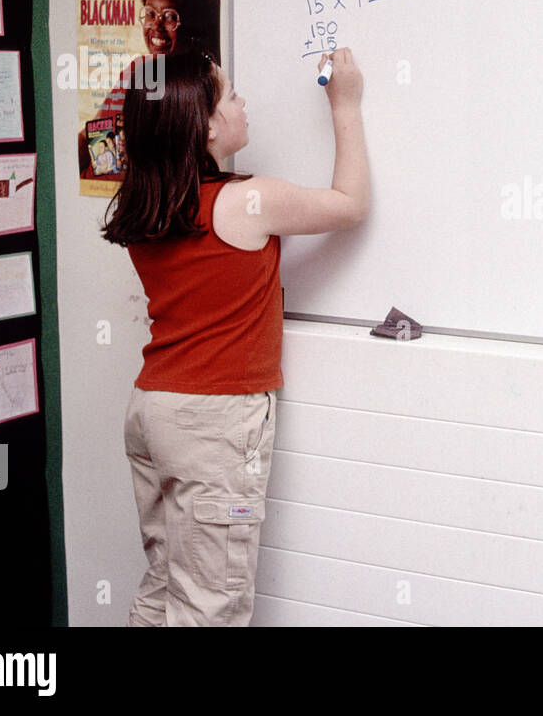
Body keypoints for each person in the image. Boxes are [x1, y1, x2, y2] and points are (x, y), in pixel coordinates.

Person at [101, 46, 369, 626]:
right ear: (207, 125)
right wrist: (345, 104)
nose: (242, 102)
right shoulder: (247, 202)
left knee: (163, 585)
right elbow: (350, 206)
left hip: (154, 410)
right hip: (213, 425)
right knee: (211, 605)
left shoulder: (147, 206)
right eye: (229, 94)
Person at [78, 0, 219, 183]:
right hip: (103, 191)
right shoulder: (139, 70)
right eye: (150, 14)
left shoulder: (203, 81)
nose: (157, 26)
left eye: (170, 16)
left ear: (191, 23)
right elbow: (96, 136)